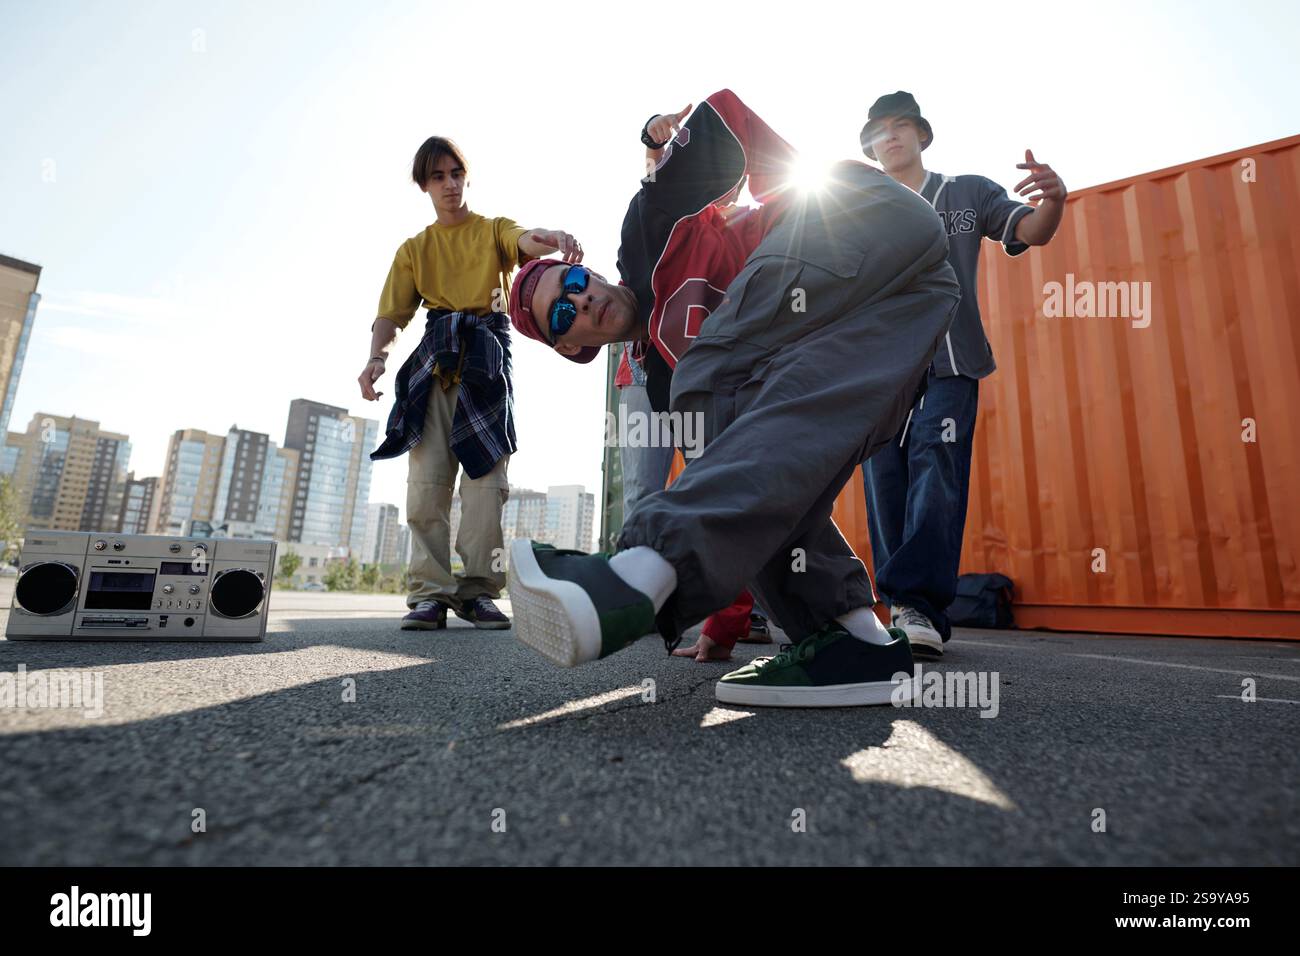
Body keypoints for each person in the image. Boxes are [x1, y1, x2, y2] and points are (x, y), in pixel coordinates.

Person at [504, 90, 962, 707]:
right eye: (563, 313)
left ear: (597, 273)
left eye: (576, 281)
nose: (581, 299)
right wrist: (722, 627)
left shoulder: (647, 233)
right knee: (762, 469)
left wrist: (807, 200)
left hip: (863, 218)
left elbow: (724, 115)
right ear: (571, 348)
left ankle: (633, 574)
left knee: (702, 390)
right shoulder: (669, 385)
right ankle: (855, 640)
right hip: (910, 307)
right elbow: (743, 495)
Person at [858, 92, 1067, 658]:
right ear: (870, 147)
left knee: (935, 466)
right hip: (877, 370)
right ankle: (899, 607)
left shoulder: (967, 193)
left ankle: (919, 607)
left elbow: (1032, 230)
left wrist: (1054, 199)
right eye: (879, 130)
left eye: (901, 126)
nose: (890, 135)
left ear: (922, 135)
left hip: (950, 361)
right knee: (885, 481)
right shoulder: (854, 209)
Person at [360, 135, 582, 631]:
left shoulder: (492, 230)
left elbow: (525, 240)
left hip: (486, 366)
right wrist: (376, 359)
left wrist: (551, 237)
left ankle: (480, 591)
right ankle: (429, 595)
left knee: (486, 489)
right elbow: (392, 315)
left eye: (456, 174)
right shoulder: (415, 249)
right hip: (435, 367)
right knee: (426, 487)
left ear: (466, 177)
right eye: (438, 177)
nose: (450, 184)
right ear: (424, 185)